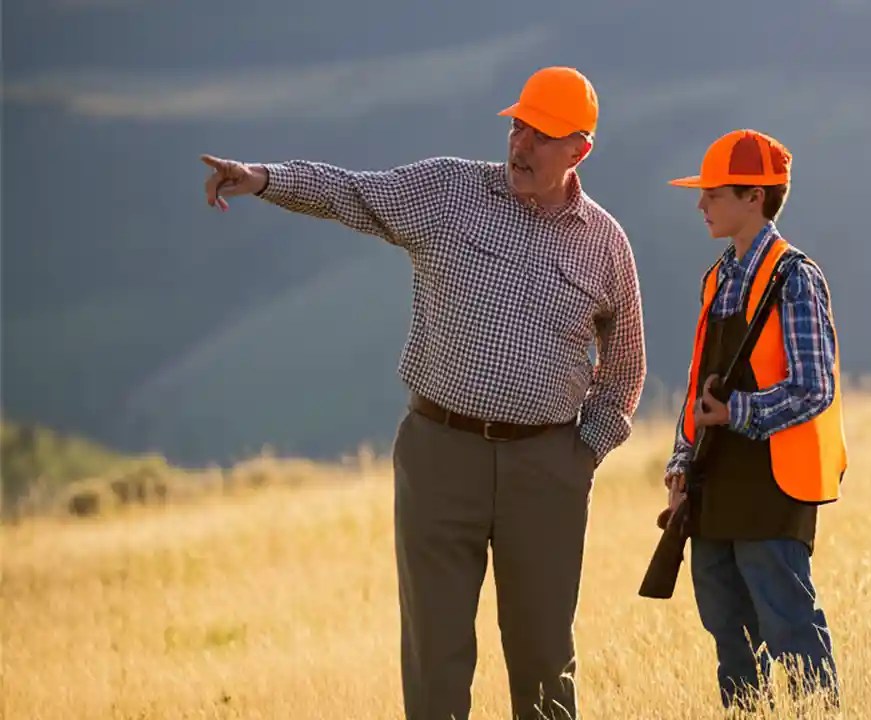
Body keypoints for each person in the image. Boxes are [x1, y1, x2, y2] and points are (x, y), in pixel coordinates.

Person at [199, 66, 646, 720]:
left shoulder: (606, 243)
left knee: (544, 656)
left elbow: (625, 363)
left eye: (542, 135)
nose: (521, 144)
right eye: (518, 125)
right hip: (440, 457)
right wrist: (265, 179)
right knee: (434, 655)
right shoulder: (447, 188)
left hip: (547, 469)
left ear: (580, 149)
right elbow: (348, 193)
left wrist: (582, 456)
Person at [662, 129, 846, 711]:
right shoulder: (715, 280)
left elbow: (815, 388)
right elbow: (697, 388)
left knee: (789, 625)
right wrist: (679, 463)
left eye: (713, 193)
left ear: (754, 198)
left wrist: (739, 412)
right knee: (729, 636)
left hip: (773, 483)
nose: (700, 204)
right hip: (713, 483)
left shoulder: (796, 278)